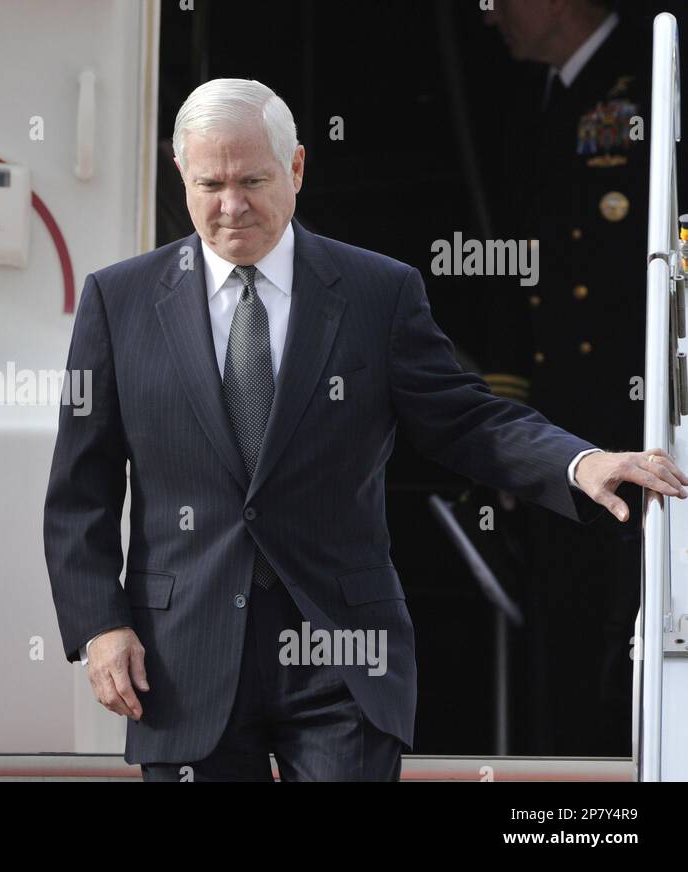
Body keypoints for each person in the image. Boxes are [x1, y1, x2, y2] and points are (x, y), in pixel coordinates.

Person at [42, 77, 687, 782]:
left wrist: (578, 463)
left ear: (296, 169)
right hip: (182, 653)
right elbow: (83, 487)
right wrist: (101, 625)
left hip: (342, 656)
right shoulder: (119, 300)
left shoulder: (379, 292)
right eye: (210, 183)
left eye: (253, 179)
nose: (231, 206)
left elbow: (467, 419)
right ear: (181, 176)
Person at [481, 0, 669, 755]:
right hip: (563, 424)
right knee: (565, 624)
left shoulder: (654, 72)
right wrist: (506, 422)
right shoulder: (544, 98)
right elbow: (523, 267)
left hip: (642, 414)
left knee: (638, 628)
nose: (489, 16)